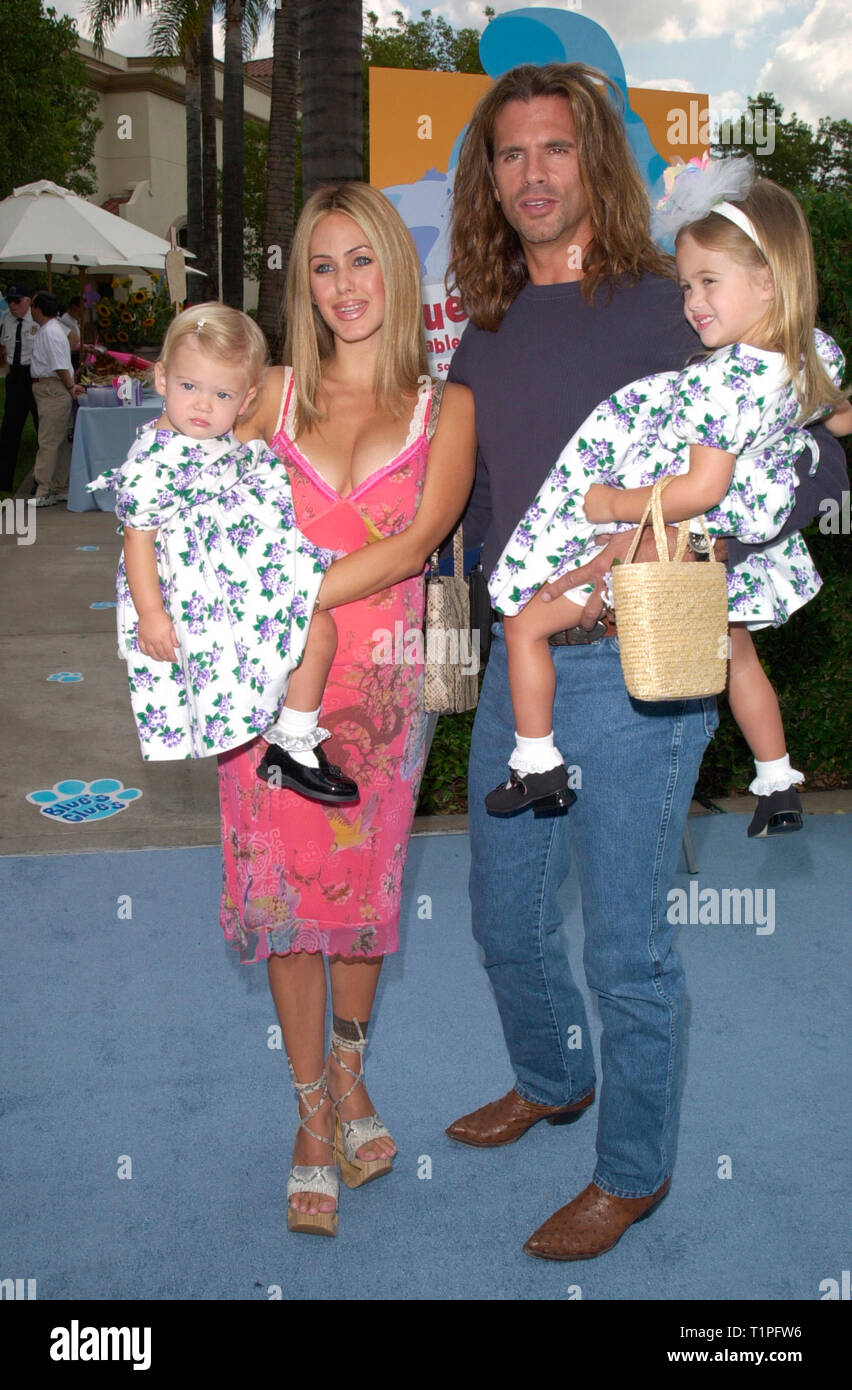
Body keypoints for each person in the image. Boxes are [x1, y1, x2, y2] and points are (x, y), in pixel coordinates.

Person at [442, 62, 849, 1261]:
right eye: (510, 154)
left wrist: (737, 521)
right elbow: (477, 499)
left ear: (596, 161)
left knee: (627, 947)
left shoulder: (675, 303)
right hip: (521, 670)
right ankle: (553, 1079)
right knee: (504, 920)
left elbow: (824, 429)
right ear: (490, 177)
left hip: (644, 669)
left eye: (555, 148)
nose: (532, 174)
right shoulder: (487, 322)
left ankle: (633, 1175)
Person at [221, 182, 475, 1236]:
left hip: (384, 693)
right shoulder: (265, 392)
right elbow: (199, 509)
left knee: (367, 894)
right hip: (271, 693)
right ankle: (314, 1115)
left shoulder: (445, 407)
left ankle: (350, 1074)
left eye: (361, 261)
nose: (342, 286)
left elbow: (415, 545)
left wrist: (290, 588)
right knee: (285, 899)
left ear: (396, 269)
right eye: (321, 266)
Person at [486, 159, 851, 838]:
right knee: (734, 647)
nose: (692, 303)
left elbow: (700, 488)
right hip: (726, 550)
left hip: (677, 538)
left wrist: (610, 504)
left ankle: (536, 761)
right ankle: (776, 778)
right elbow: (834, 417)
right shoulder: (805, 354)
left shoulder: (722, 384)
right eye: (687, 285)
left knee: (524, 621)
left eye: (709, 282)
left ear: (768, 282)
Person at [86, 301, 358, 803]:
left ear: (247, 398)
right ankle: (293, 743)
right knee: (308, 631)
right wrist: (150, 614)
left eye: (222, 393)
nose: (202, 406)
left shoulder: (217, 439)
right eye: (189, 386)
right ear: (163, 378)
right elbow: (137, 539)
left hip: (234, 572)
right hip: (199, 596)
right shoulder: (153, 460)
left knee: (315, 630)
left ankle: (292, 741)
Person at [29, 291, 85, 506]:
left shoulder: (51, 332)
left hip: (52, 387)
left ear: (38, 308)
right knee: (59, 440)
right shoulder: (52, 330)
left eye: (33, 306)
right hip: (52, 387)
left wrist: (70, 386)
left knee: (49, 440)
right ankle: (61, 486)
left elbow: (60, 365)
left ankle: (44, 490)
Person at [0, 283, 39, 493]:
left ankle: (41, 479)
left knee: (42, 428)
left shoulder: (38, 321)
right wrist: (7, 372)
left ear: (28, 301)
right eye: (9, 301)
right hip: (15, 376)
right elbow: (5, 349)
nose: (13, 305)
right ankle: (4, 480)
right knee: (9, 430)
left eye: (17, 300)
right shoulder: (8, 321)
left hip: (33, 375)